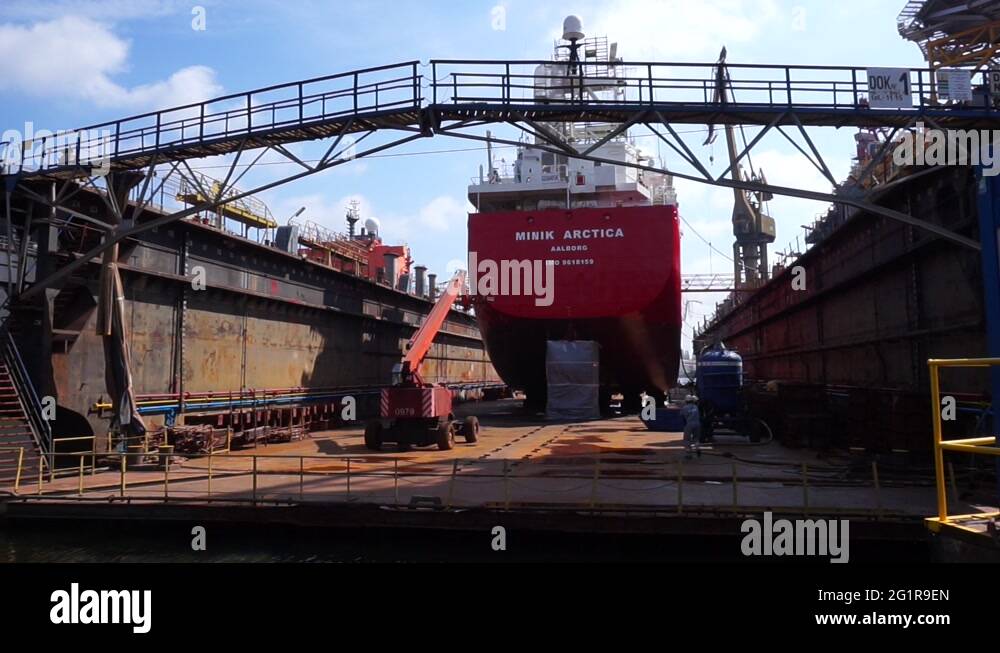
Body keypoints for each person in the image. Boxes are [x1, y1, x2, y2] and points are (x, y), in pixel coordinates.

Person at [680, 395, 701, 459]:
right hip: (697, 424)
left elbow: (682, 417)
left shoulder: (684, 408)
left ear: (686, 401)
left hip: (689, 424)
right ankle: (697, 448)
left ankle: (688, 454)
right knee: (696, 438)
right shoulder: (696, 407)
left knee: (687, 439)